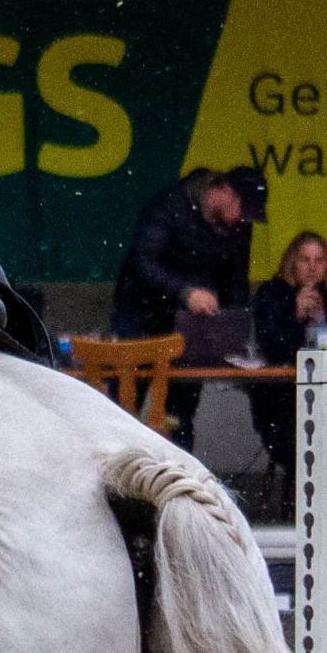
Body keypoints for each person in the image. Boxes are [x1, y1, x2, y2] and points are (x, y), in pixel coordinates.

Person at [111, 164, 267, 450]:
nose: (242, 220)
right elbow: (142, 261)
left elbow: (236, 279)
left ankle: (180, 473)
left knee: (180, 412)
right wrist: (185, 292)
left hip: (190, 325)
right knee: (124, 405)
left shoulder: (238, 226)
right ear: (224, 191)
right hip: (140, 312)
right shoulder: (169, 205)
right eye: (241, 210)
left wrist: (234, 328)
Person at [250, 231, 327, 512]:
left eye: (319, 260)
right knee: (296, 439)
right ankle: (297, 511)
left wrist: (322, 322)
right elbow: (270, 346)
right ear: (292, 263)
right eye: (304, 260)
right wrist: (296, 316)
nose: (313, 267)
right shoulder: (271, 294)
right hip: (284, 400)